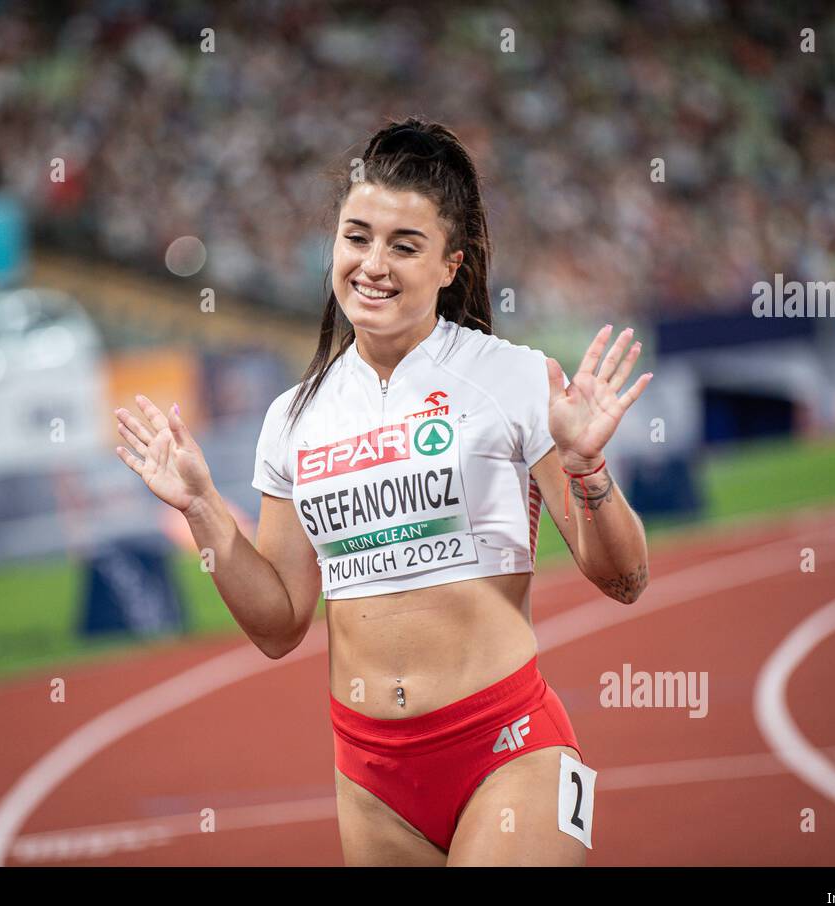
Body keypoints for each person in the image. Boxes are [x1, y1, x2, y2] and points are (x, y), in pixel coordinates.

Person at [114, 117, 651, 866]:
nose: (373, 264)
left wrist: (589, 468)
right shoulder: (293, 418)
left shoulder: (516, 379)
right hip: (370, 778)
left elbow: (625, 579)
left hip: (508, 748)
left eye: (404, 246)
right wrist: (202, 508)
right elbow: (277, 625)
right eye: (356, 236)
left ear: (450, 266)